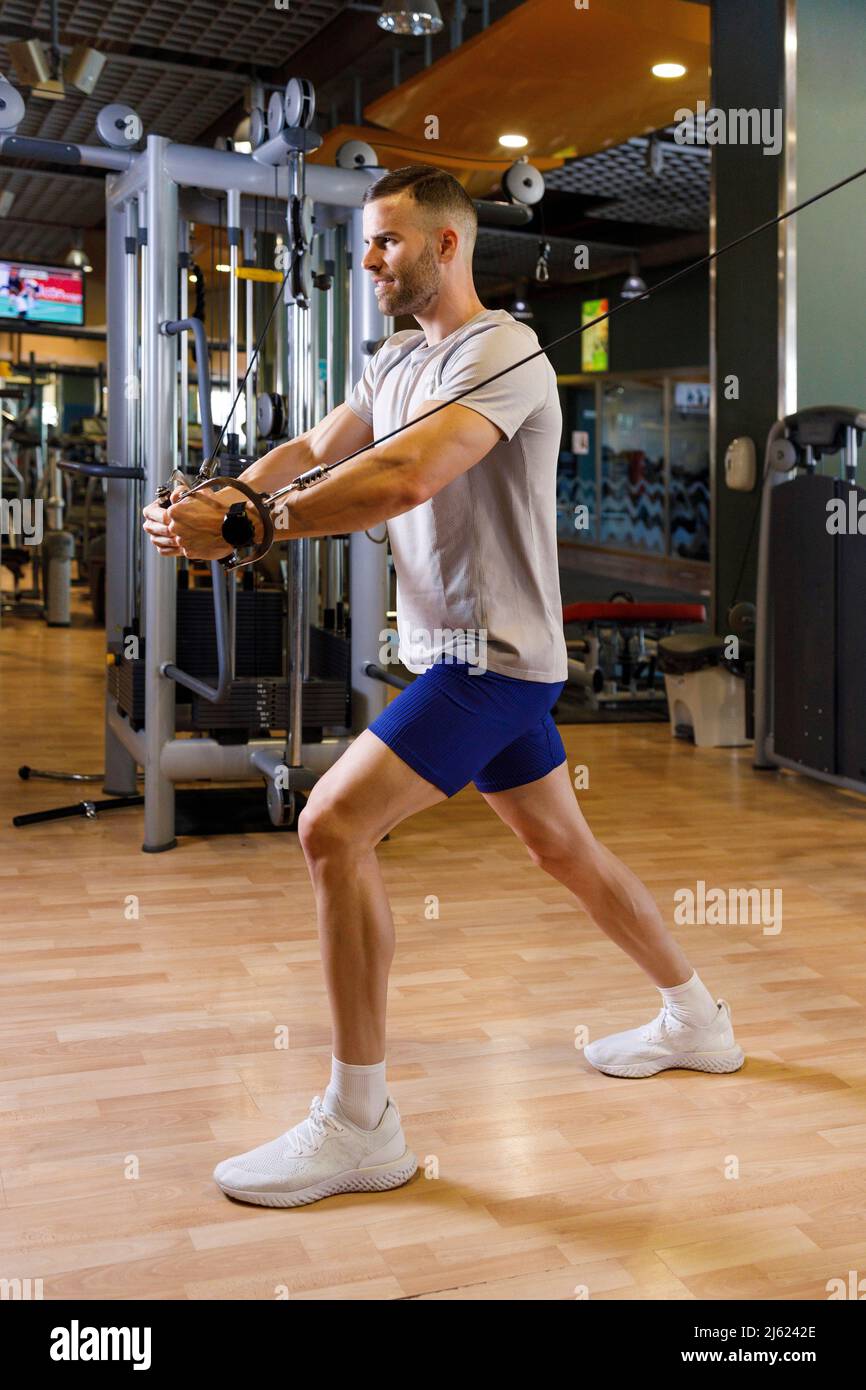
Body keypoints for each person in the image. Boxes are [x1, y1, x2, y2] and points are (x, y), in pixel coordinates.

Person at [142, 165, 743, 1209]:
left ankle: (360, 1123)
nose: (370, 261)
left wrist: (247, 526)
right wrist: (231, 492)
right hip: (468, 658)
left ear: (447, 244)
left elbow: (405, 476)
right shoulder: (394, 362)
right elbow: (316, 449)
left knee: (331, 827)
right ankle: (697, 1019)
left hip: (489, 662)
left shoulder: (500, 353)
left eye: (387, 241)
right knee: (562, 849)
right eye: (366, 244)